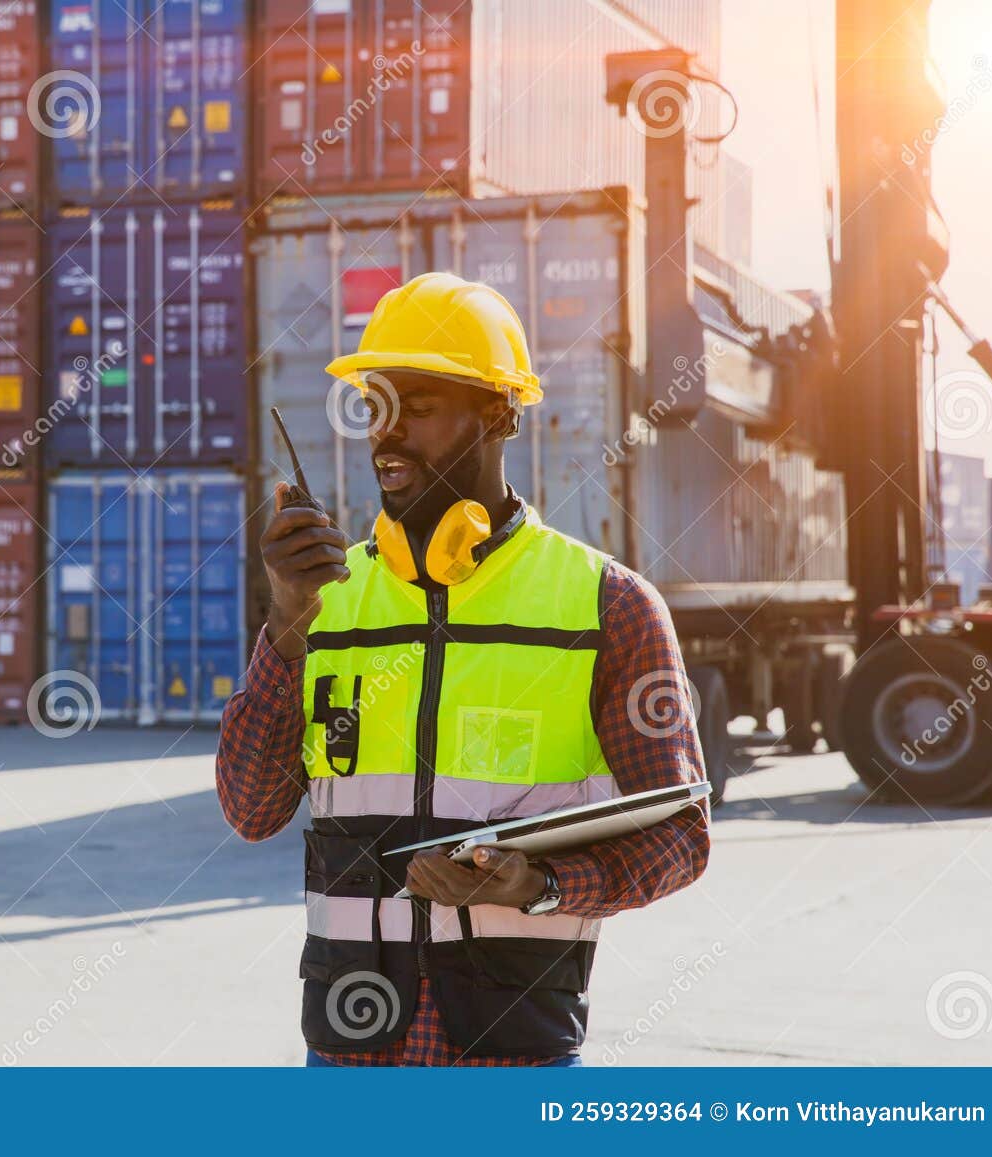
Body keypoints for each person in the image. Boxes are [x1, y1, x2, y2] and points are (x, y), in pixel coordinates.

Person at [216, 272, 711, 1067]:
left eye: (418, 406)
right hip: (347, 1056)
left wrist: (541, 884)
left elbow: (681, 837)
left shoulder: (607, 607)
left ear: (498, 412)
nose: (388, 434)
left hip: (512, 1054)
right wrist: (284, 622)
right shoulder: (322, 601)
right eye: (376, 406)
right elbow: (249, 809)